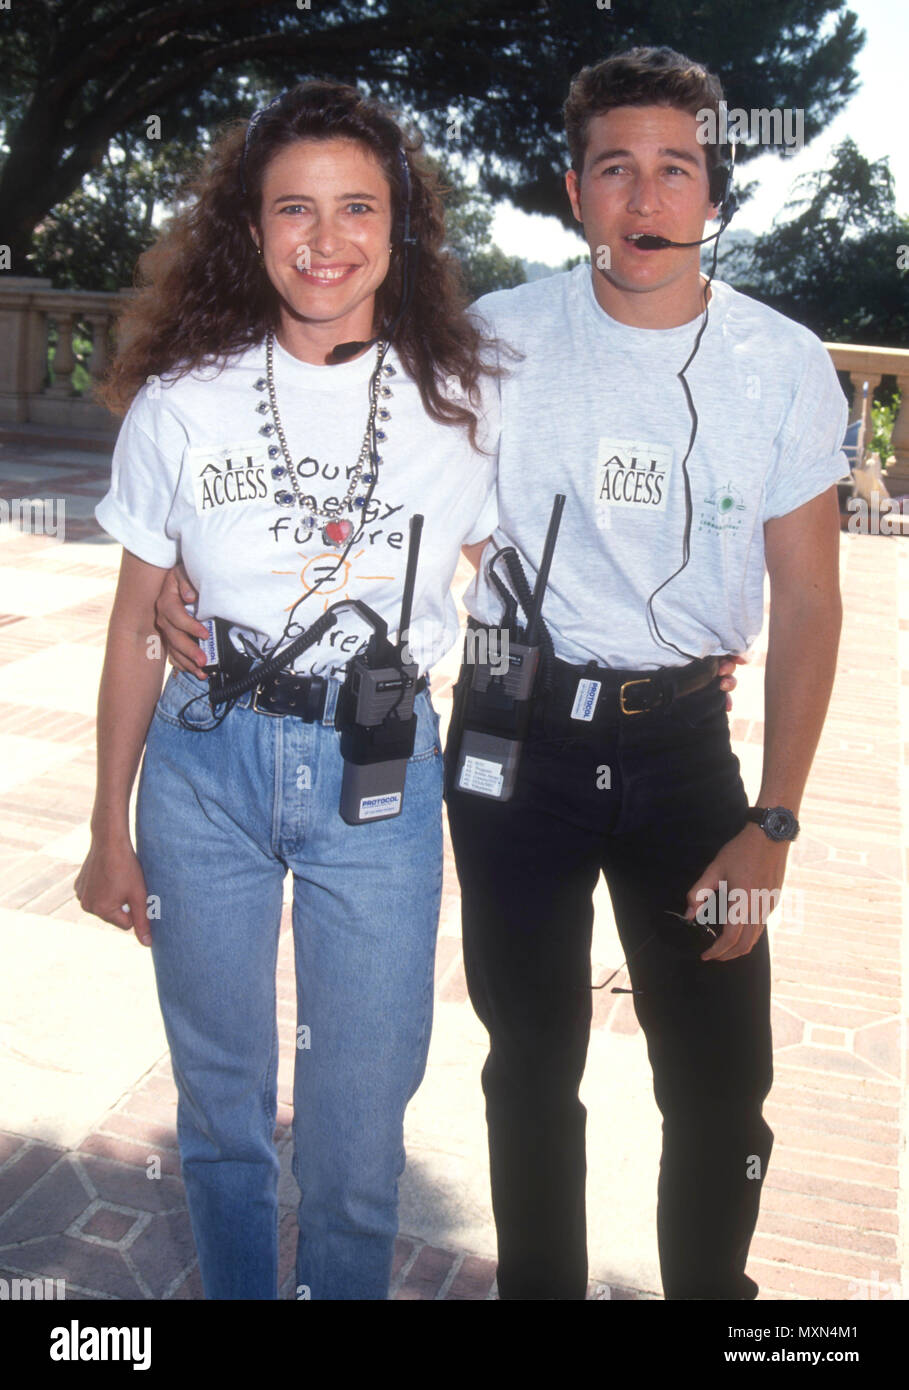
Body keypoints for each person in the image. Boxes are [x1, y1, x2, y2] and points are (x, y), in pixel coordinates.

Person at [74, 80, 505, 1300]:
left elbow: (539, 571)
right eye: (293, 210)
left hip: (378, 782)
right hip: (205, 769)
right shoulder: (182, 402)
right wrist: (109, 828)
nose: (326, 239)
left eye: (358, 207)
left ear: (401, 226)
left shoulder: (466, 402)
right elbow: (129, 627)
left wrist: (674, 643)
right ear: (249, 230)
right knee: (218, 1109)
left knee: (358, 1130)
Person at [441, 46, 846, 1300]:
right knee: (531, 1060)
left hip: (688, 764)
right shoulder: (497, 338)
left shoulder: (780, 362)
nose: (646, 198)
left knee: (725, 1079)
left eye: (675, 170)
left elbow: (813, 597)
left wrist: (771, 819)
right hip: (515, 744)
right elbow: (393, 484)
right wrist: (190, 569)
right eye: (616, 169)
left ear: (711, 195)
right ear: (577, 191)